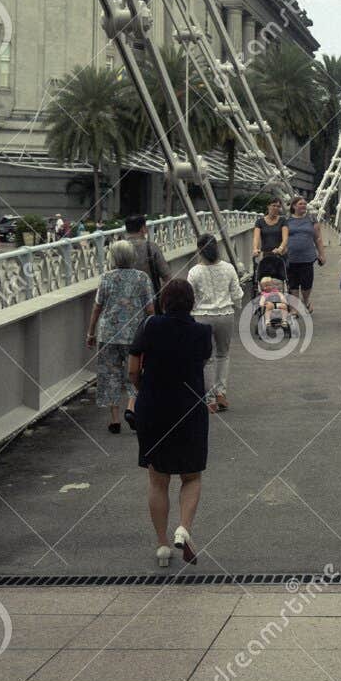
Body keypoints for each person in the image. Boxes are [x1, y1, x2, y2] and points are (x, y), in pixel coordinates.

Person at [127, 278, 212, 567]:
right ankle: (184, 528)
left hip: (153, 408)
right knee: (191, 476)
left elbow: (133, 369)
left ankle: (163, 545)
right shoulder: (202, 332)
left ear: (163, 302)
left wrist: (144, 392)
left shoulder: (150, 325)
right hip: (189, 408)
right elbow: (198, 365)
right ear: (192, 302)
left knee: (157, 479)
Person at [85, 239, 154, 433]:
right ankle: (131, 407)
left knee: (110, 375)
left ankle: (114, 420)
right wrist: (154, 330)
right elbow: (150, 308)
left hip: (108, 334)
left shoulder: (106, 278)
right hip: (135, 334)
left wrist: (91, 332)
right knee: (136, 372)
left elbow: (97, 308)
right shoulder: (142, 278)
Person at [186, 234, 239, 412]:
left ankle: (209, 399)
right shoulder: (229, 268)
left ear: (199, 250)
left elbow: (190, 297)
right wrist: (235, 307)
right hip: (225, 314)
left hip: (202, 317)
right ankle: (221, 393)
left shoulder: (194, 271)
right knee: (223, 355)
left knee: (205, 358)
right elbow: (237, 294)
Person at [284, 196, 325, 313]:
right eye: (301, 204)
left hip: (307, 257)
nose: (304, 206)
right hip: (290, 257)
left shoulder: (312, 219)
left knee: (307, 284)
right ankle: (294, 307)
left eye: (305, 204)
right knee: (293, 283)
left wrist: (322, 254)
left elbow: (318, 238)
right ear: (293, 206)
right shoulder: (286, 220)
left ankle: (306, 301)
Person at [122, 214, 170, 297]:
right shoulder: (151, 247)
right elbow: (167, 277)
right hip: (150, 301)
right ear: (143, 229)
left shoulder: (117, 249)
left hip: (125, 302)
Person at [253, 197, 289, 265]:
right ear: (268, 206)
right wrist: (255, 248)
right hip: (266, 254)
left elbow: (285, 238)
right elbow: (256, 237)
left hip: (280, 254)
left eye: (278, 206)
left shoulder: (283, 220)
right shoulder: (259, 222)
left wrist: (280, 248)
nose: (276, 208)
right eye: (274, 205)